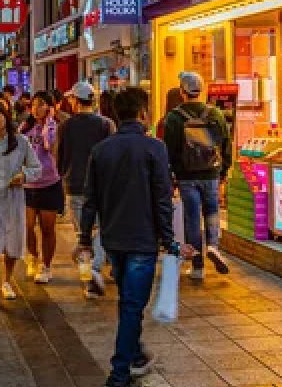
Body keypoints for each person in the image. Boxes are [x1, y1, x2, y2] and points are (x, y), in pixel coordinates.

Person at [75, 87, 193, 387]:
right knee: (131, 305)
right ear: (142, 113)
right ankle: (119, 372)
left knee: (128, 300)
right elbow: (162, 199)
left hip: (113, 238)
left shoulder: (101, 150)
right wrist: (169, 240)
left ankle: (136, 354)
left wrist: (85, 238)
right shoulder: (155, 148)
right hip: (142, 239)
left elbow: (90, 200)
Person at [163, 71, 232, 279]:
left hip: (186, 176)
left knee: (192, 218)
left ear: (182, 92)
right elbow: (226, 143)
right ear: (201, 90)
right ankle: (213, 245)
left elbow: (169, 150)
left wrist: (172, 175)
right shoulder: (215, 114)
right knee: (212, 211)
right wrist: (224, 170)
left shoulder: (174, 117)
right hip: (211, 173)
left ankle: (197, 266)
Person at [56, 80, 115, 298]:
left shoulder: (66, 126)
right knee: (101, 229)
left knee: (83, 234)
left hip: (75, 185)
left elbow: (60, 158)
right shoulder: (107, 125)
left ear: (75, 100)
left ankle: (90, 276)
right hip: (102, 186)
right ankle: (94, 270)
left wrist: (63, 176)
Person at [0, 101, 40, 309]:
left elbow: (35, 167)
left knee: (12, 244)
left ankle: (7, 280)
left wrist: (23, 176)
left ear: (6, 117)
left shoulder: (21, 142)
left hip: (13, 198)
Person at [21, 91, 63, 284]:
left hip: (49, 183)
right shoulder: (25, 127)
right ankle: (33, 256)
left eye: (41, 104)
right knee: (28, 226)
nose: (36, 108)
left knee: (47, 228)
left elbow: (49, 146)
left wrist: (48, 124)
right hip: (27, 184)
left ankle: (46, 266)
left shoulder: (54, 127)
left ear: (49, 107)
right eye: (34, 104)